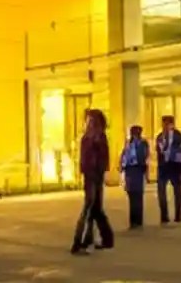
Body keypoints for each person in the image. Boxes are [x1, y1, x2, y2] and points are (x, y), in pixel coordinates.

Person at [71, 109, 115, 254]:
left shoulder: (99, 138)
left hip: (95, 176)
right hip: (89, 177)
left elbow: (103, 158)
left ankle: (82, 242)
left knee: (91, 209)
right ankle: (100, 239)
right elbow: (83, 158)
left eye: (90, 120)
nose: (88, 123)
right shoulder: (87, 138)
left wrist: (98, 171)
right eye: (87, 120)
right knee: (94, 209)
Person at [154, 115, 181, 224]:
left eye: (168, 123)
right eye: (164, 123)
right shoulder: (159, 137)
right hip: (163, 167)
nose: (165, 125)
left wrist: (180, 164)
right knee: (161, 191)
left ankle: (178, 213)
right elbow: (158, 151)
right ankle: (164, 215)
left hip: (174, 166)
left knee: (177, 191)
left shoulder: (178, 136)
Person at [118, 125, 151, 228]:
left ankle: (138, 220)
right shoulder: (128, 143)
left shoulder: (143, 143)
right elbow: (123, 155)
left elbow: (145, 156)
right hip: (130, 170)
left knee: (138, 195)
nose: (134, 134)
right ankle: (133, 221)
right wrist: (121, 167)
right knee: (132, 195)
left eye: (136, 132)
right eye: (133, 132)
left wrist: (146, 173)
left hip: (138, 169)